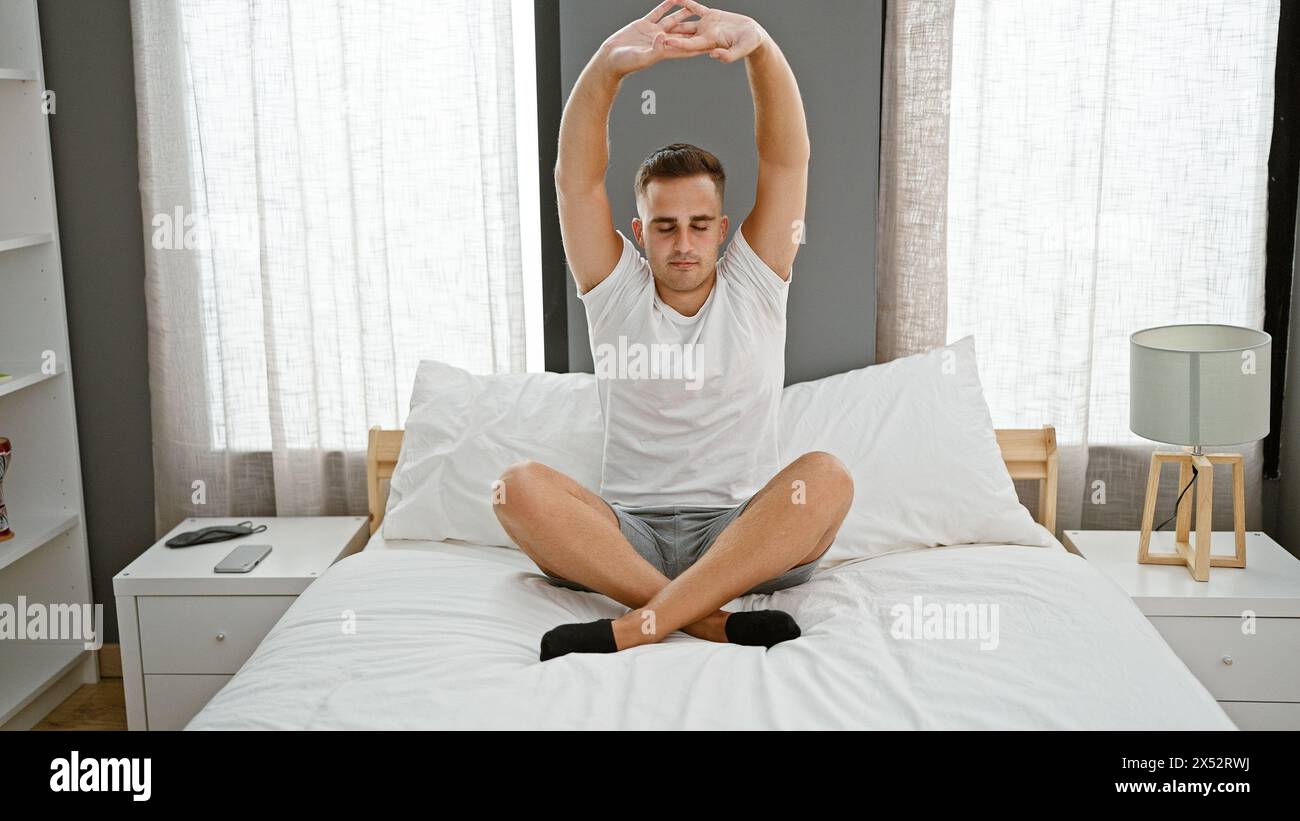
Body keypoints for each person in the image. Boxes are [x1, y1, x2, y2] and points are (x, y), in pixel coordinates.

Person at [494, 0, 853, 661]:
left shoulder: (756, 280)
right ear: (641, 233)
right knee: (514, 488)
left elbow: (786, 163)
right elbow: (576, 184)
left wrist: (761, 49)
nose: (682, 242)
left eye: (697, 224)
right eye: (664, 226)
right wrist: (606, 69)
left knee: (827, 478)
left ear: (722, 229)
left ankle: (640, 623)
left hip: (743, 536)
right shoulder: (615, 291)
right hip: (629, 536)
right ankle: (706, 619)